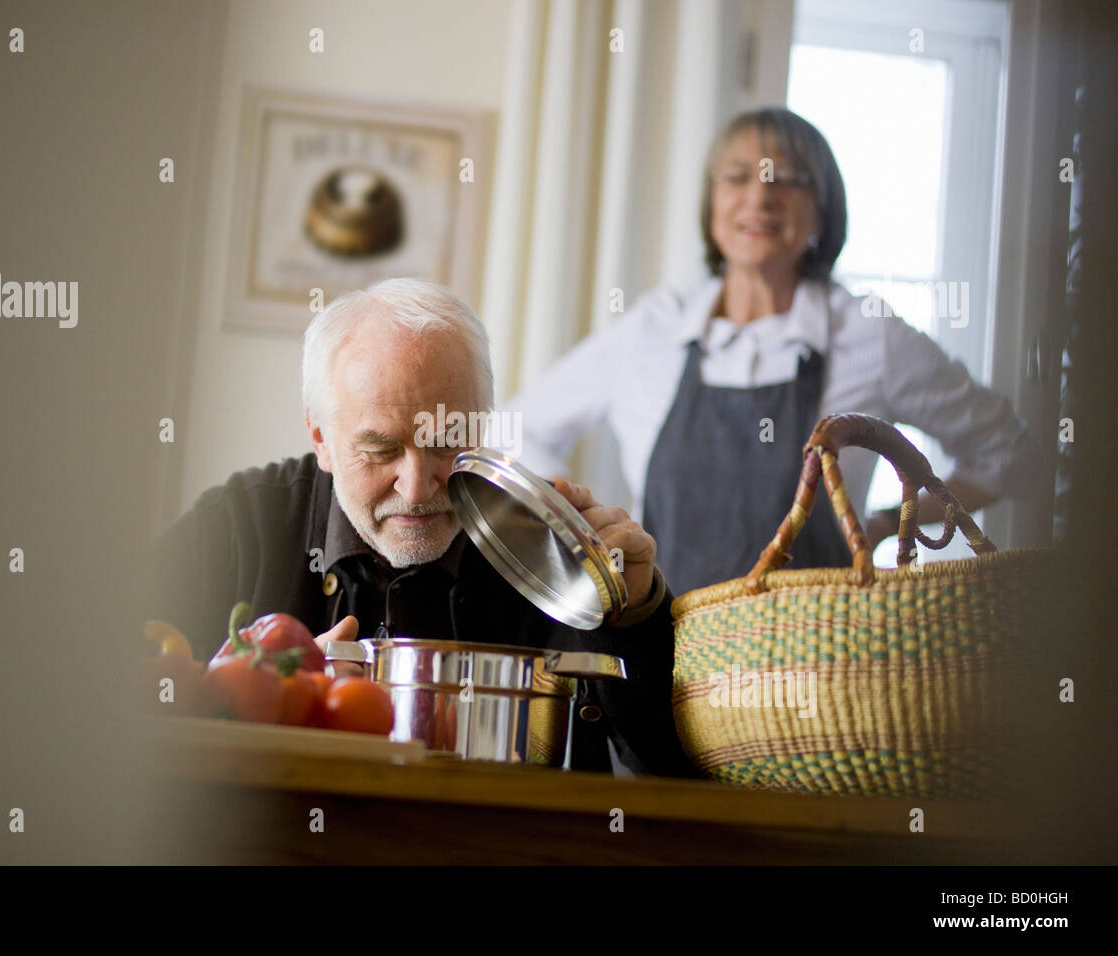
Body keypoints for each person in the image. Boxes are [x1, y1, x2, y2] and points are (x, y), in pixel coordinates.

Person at [148, 277, 694, 777]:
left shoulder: (544, 542)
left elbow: (673, 766)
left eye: (446, 444)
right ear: (321, 440)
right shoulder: (241, 527)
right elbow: (103, 704)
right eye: (381, 449)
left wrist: (637, 612)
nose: (416, 487)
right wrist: (246, 698)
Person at [503, 107, 1040, 596]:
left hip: (821, 660)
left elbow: (1010, 456)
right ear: (712, 202)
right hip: (668, 655)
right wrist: (595, 528)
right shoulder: (653, 328)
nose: (759, 196)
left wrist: (882, 522)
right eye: (737, 176)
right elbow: (516, 430)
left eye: (787, 179)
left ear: (822, 212)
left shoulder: (868, 333)